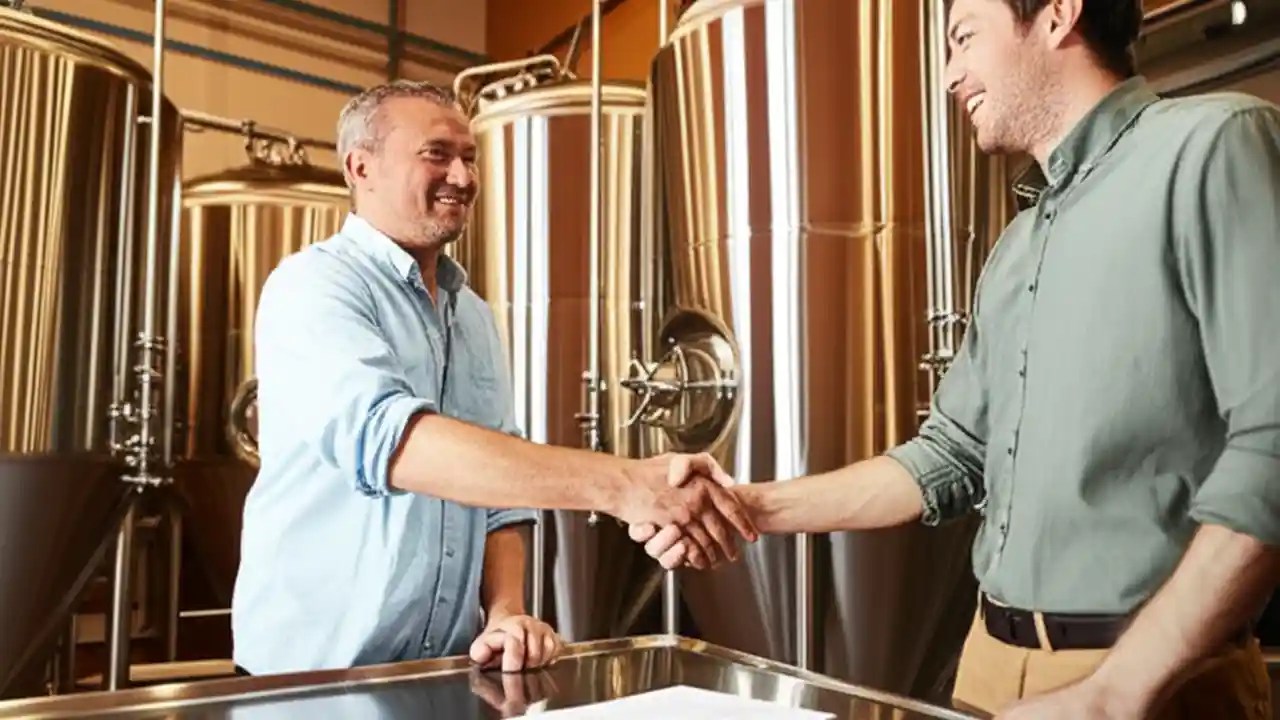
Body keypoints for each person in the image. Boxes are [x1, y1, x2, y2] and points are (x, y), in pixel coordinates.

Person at [631, 0, 1280, 717]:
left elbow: (1272, 442)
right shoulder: (1018, 244)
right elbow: (949, 454)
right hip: (989, 661)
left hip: (1151, 675)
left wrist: (1116, 690)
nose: (948, 75)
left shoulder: (1211, 146)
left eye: (964, 38)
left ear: (1058, 14)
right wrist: (750, 506)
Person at [230, 80, 758, 677]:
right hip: (307, 682)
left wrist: (505, 611)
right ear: (361, 167)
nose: (461, 176)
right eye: (436, 154)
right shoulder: (314, 286)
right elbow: (390, 442)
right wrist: (623, 486)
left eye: (470, 157)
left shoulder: (473, 315)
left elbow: (501, 501)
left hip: (442, 672)